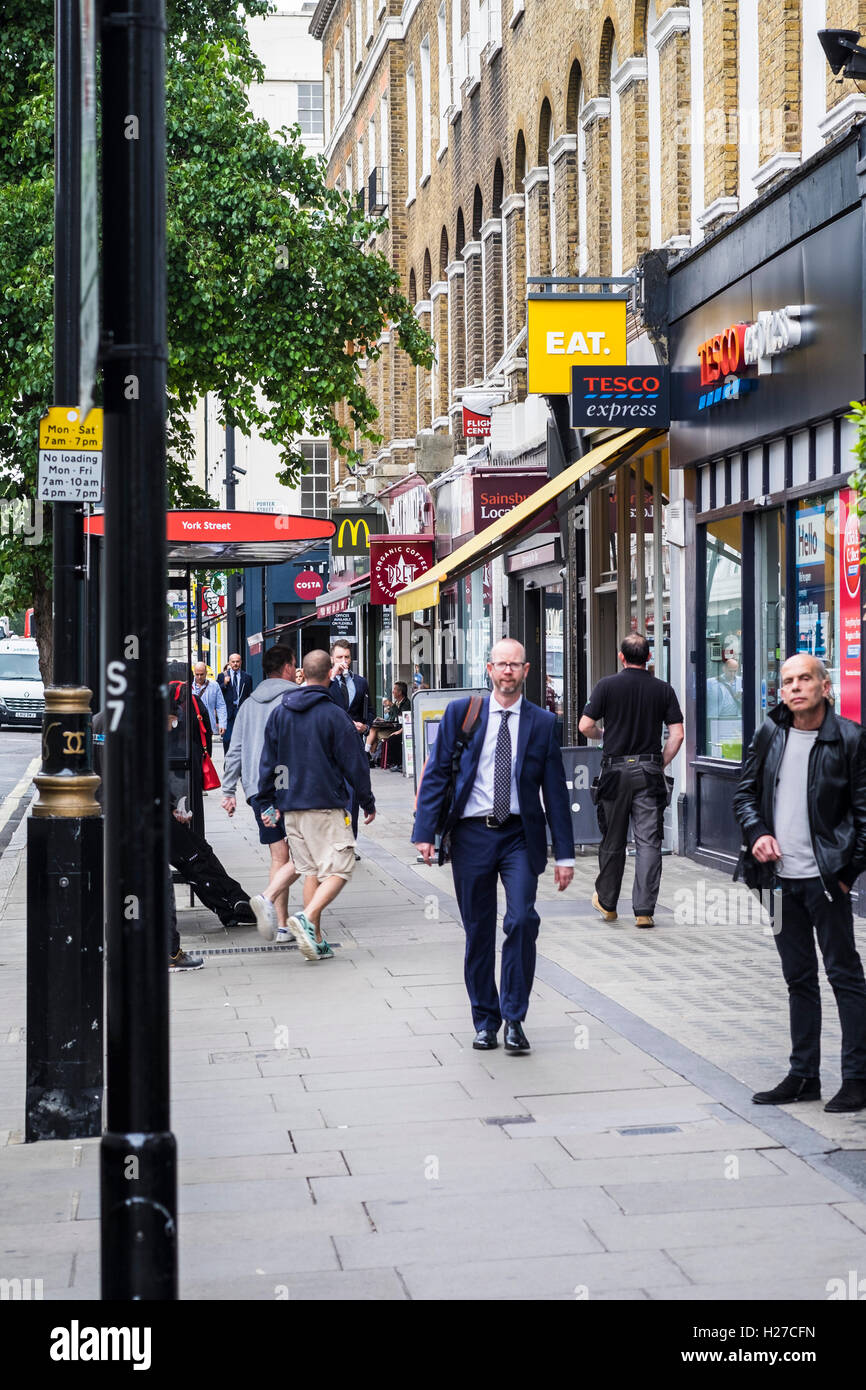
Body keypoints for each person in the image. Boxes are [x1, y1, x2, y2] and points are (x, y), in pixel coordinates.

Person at [412, 638, 574, 1053]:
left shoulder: (541, 722)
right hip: (471, 836)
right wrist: (424, 832)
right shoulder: (462, 714)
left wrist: (566, 854)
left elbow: (555, 791)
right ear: (489, 670)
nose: (507, 672)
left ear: (526, 670)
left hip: (520, 836)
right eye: (500, 665)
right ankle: (485, 1019)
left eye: (514, 665)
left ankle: (515, 1019)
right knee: (478, 931)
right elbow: (436, 774)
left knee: (521, 921)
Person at [733, 653, 866, 1113]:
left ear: (824, 686)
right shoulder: (770, 732)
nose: (794, 688)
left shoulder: (850, 739)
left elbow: (865, 818)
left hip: (826, 882)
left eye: (804, 679)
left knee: (844, 977)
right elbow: (745, 793)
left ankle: (857, 1078)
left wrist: (846, 876)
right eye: (787, 680)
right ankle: (804, 1074)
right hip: (776, 880)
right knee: (798, 978)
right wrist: (757, 834)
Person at [256, 649, 376, 961]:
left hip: (291, 806)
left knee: (307, 867)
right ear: (329, 675)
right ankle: (306, 918)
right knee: (341, 867)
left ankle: (286, 913)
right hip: (324, 804)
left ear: (304, 674)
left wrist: (266, 800)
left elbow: (267, 761)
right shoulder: (334, 715)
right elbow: (355, 763)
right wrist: (366, 800)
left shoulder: (281, 712)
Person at [579, 633, 684, 929]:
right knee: (649, 841)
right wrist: (658, 763)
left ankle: (608, 904)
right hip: (649, 772)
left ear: (621, 657)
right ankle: (644, 911)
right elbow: (677, 734)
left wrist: (604, 736)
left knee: (613, 838)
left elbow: (585, 725)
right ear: (648, 657)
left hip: (614, 772)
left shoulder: (606, 686)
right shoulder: (663, 690)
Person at [221, 643, 301, 942]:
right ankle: (294, 916)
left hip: (259, 792)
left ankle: (281, 925)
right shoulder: (294, 699)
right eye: (294, 664)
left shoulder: (249, 704)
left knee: (279, 855)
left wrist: (229, 790)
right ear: (288, 667)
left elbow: (236, 749)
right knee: (307, 852)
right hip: (291, 788)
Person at [328, 639, 371, 837]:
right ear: (331, 658)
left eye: (346, 657)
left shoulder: (360, 682)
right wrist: (331, 676)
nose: (343, 661)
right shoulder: (325, 682)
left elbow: (369, 713)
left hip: (353, 747)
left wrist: (365, 726)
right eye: (339, 657)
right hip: (330, 749)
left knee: (351, 797)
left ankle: (350, 840)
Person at [218, 652, 253, 751]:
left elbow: (249, 694)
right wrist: (224, 683)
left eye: (237, 661)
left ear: (241, 662)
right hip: (228, 712)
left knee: (242, 740)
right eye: (233, 662)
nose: (235, 664)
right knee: (227, 739)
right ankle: (228, 763)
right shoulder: (222, 676)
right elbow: (217, 693)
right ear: (229, 663)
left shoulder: (247, 677)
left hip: (241, 711)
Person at [192, 660, 227, 757]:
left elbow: (220, 705)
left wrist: (222, 723)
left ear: (206, 673)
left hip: (208, 726)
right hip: (193, 726)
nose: (199, 677)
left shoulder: (214, 685)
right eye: (197, 674)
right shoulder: (188, 686)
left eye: (202, 674)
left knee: (207, 755)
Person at [706, 634, 743, 719]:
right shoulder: (711, 682)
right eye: (730, 671)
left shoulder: (742, 681)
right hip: (716, 718)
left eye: (735, 671)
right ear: (724, 669)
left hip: (737, 718)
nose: (732, 674)